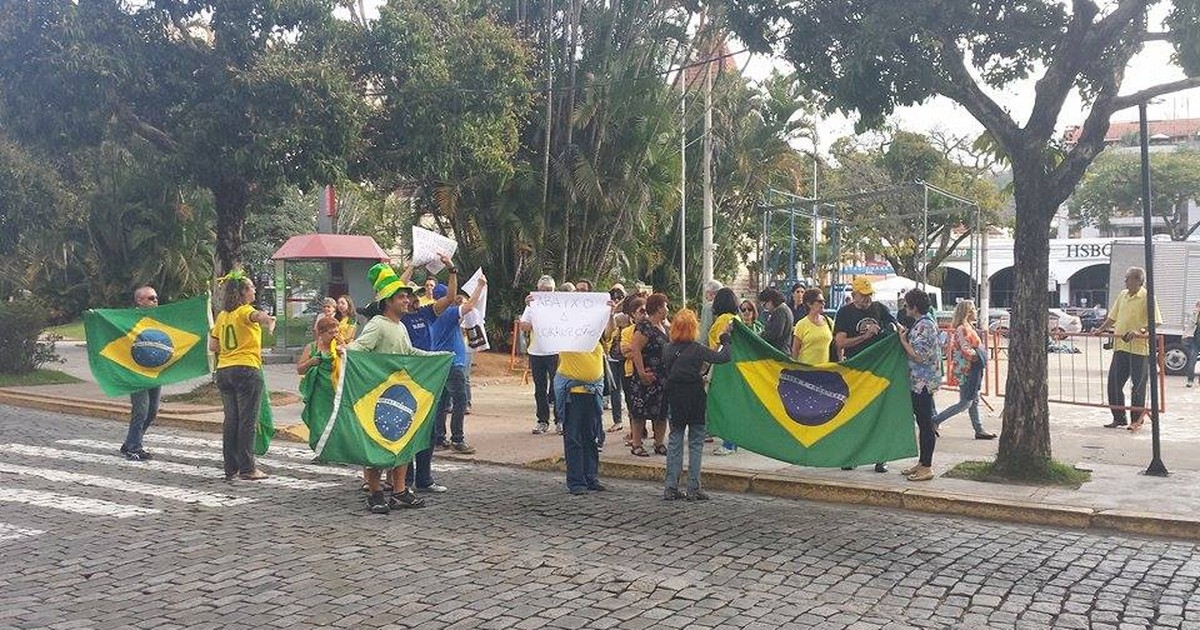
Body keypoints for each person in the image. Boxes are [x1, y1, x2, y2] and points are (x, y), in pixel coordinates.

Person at [348, 263, 447, 514]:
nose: (407, 300)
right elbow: (360, 349)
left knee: (402, 442)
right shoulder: (378, 324)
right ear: (388, 301)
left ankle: (400, 491)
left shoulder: (400, 326)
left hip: (399, 394)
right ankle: (375, 492)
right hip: (379, 396)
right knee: (376, 444)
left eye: (407, 296)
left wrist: (434, 358)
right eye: (402, 296)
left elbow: (408, 352)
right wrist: (343, 352)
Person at [542, 296, 617, 495]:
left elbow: (609, 331)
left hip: (593, 393)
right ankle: (576, 481)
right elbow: (544, 324)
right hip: (572, 394)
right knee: (573, 437)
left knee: (591, 436)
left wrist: (610, 312)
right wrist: (533, 304)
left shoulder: (597, 339)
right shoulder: (566, 337)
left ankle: (591, 476)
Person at [399, 255, 458, 492]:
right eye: (410, 295)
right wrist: (413, 264)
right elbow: (395, 287)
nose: (414, 299)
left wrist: (451, 269)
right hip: (406, 378)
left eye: (416, 295)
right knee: (408, 428)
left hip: (428, 379)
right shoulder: (398, 316)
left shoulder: (426, 313)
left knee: (430, 429)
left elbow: (451, 297)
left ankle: (424, 478)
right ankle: (407, 479)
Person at [209, 270, 276, 482]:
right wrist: (268, 319)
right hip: (247, 369)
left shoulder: (223, 316)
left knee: (231, 420)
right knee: (247, 421)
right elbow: (256, 316)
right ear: (243, 292)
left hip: (225, 370)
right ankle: (248, 468)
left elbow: (213, 345)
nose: (255, 290)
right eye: (251, 287)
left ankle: (231, 467)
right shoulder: (245, 311)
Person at [662, 309, 731, 501]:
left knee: (675, 441)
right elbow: (723, 357)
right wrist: (726, 339)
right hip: (694, 395)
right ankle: (693, 487)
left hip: (675, 396)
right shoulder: (698, 349)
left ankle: (671, 487)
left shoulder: (667, 349)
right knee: (695, 443)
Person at [833, 276, 897, 473]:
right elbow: (840, 343)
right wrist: (864, 336)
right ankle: (852, 455)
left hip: (879, 368)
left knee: (879, 412)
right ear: (853, 295)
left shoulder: (879, 308)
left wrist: (886, 328)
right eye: (863, 296)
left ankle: (881, 456)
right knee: (854, 413)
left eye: (869, 295)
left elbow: (895, 326)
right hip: (857, 368)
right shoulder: (844, 313)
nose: (867, 299)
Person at [428, 277, 487, 455]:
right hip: (453, 362)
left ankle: (439, 438)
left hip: (438, 362)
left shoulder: (430, 313)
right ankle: (457, 439)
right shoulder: (448, 312)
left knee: (441, 403)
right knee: (460, 401)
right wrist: (479, 287)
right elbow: (469, 306)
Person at [1101, 266, 1162, 430]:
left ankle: (1137, 420)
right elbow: (1112, 317)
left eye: (1128, 278)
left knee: (1138, 386)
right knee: (1114, 383)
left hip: (1139, 349)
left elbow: (1155, 321)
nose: (1125, 281)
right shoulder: (1123, 295)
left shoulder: (1147, 297)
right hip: (1120, 347)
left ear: (1137, 280)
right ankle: (1119, 417)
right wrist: (1101, 329)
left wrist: (1140, 331)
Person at [932, 300, 996, 439]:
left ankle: (978, 429)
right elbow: (966, 349)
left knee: (974, 400)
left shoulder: (967, 327)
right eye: (973, 309)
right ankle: (935, 420)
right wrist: (978, 357)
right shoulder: (963, 329)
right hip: (967, 369)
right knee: (966, 402)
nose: (976, 311)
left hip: (970, 368)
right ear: (967, 312)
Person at [898, 289, 941, 482]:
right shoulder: (922, 323)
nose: (905, 308)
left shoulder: (925, 325)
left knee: (925, 424)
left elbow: (918, 355)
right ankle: (922, 463)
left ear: (914, 307)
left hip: (922, 382)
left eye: (907, 305)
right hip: (918, 381)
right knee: (922, 422)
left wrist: (902, 341)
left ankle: (927, 465)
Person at [120, 286, 163, 461]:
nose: (156, 301)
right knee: (141, 410)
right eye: (151, 298)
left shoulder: (159, 319)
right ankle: (134, 447)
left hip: (154, 372)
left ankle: (130, 442)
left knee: (152, 411)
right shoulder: (129, 319)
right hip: (135, 374)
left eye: (156, 298)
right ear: (140, 301)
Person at [628, 293, 671, 457]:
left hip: (662, 377)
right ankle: (637, 444)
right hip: (646, 375)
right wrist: (641, 372)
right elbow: (635, 348)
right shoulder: (645, 326)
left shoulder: (664, 327)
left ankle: (659, 443)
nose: (667, 309)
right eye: (665, 306)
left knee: (661, 412)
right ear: (659, 308)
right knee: (639, 412)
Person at [519, 275, 561, 435]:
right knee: (540, 388)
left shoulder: (559, 306)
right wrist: (535, 321)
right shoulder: (532, 305)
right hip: (536, 351)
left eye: (549, 290)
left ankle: (560, 420)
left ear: (554, 290)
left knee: (558, 387)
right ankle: (542, 420)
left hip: (555, 351)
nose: (545, 293)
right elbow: (523, 325)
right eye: (542, 290)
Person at [707, 288, 739, 457]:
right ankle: (731, 442)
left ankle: (728, 442)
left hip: (721, 365)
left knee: (723, 404)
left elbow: (718, 343)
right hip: (733, 365)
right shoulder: (735, 318)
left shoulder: (722, 320)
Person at [618, 296, 647, 446]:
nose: (645, 315)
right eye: (641, 311)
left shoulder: (655, 329)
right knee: (633, 405)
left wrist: (635, 348)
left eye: (647, 311)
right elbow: (625, 351)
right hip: (630, 372)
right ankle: (635, 434)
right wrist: (638, 348)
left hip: (649, 372)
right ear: (632, 315)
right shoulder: (627, 331)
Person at [604, 284, 629, 434]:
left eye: (620, 297)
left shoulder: (629, 315)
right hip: (612, 356)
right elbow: (608, 332)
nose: (616, 299)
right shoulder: (609, 315)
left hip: (627, 357)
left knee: (629, 389)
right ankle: (617, 421)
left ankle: (635, 425)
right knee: (615, 389)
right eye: (613, 297)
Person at [791, 288, 834, 365]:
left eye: (824, 301)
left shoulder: (829, 322)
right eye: (820, 301)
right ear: (809, 304)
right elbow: (795, 350)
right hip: (806, 370)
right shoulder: (801, 324)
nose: (823, 304)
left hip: (825, 370)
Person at [758, 287, 794, 354]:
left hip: (779, 352)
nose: (764, 307)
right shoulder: (784, 309)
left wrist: (760, 335)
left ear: (771, 301)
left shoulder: (780, 311)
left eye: (764, 304)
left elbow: (775, 333)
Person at [1184, 300, 1200, 388]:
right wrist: (1196, 312)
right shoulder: (1194, 315)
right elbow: (1190, 325)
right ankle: (1190, 380)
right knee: (1192, 361)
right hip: (1195, 342)